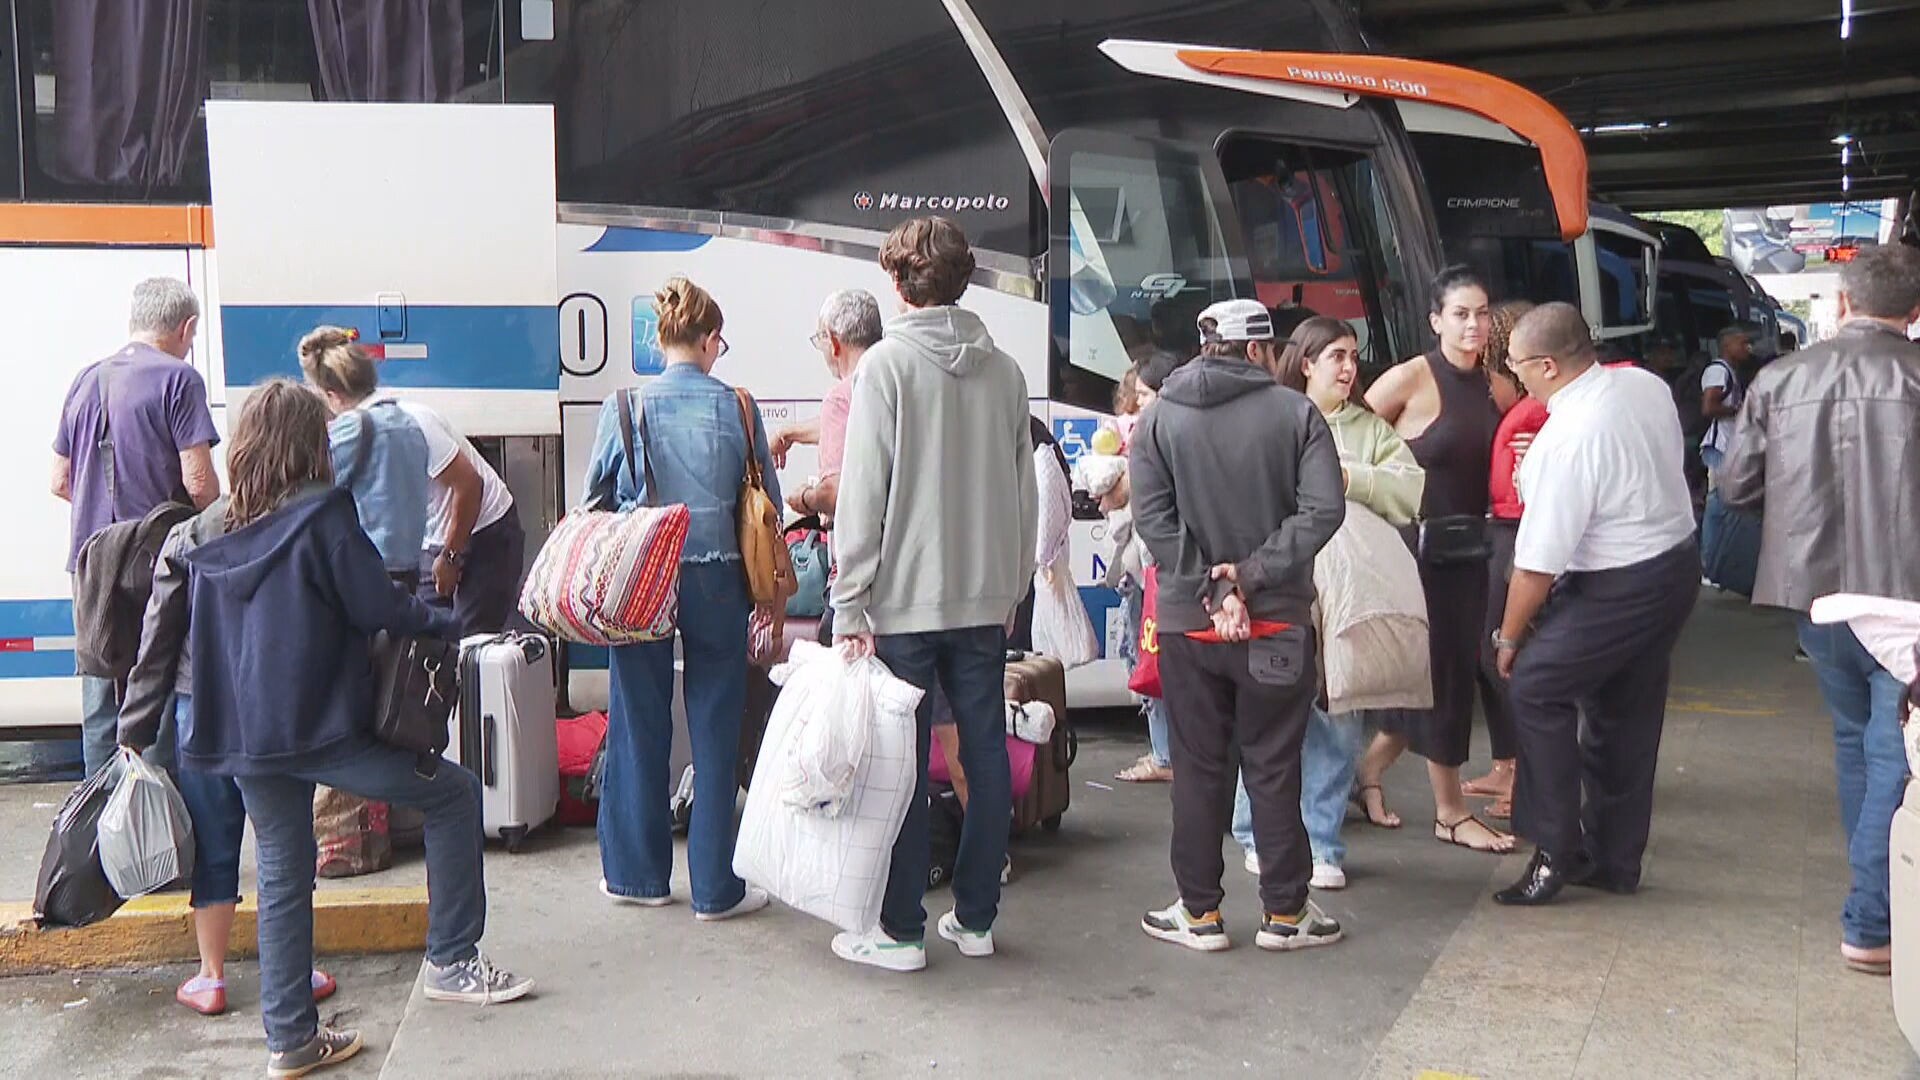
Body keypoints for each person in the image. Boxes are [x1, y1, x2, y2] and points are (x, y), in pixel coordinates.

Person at [177, 380, 532, 1076]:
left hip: (246, 733)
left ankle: (291, 1041)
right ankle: (454, 962)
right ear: (312, 445)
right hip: (321, 726)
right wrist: (449, 624)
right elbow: (380, 605)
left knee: (282, 869)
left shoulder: (219, 524)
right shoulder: (323, 516)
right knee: (453, 794)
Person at [828, 216, 1037, 972]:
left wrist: (849, 605)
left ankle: (901, 929)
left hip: (902, 606)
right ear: (965, 278)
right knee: (983, 757)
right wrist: (1012, 585)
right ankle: (976, 919)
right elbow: (1025, 498)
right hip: (983, 603)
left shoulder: (883, 368)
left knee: (902, 769)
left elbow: (863, 498)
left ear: (897, 283)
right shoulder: (1006, 372)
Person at [1718, 243, 1920, 973]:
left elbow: (1736, 492)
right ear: (1916, 312)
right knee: (1894, 752)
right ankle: (1872, 921)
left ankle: (1879, 881)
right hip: (1907, 601)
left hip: (1818, 597)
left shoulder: (1779, 379)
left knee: (1856, 739)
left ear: (1841, 302)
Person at [1131, 298, 1347, 953]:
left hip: (1188, 628)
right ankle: (1286, 914)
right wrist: (1248, 578)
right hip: (1276, 625)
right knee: (1274, 767)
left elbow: (1154, 522)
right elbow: (1323, 511)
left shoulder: (1158, 418)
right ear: (1260, 350)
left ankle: (1199, 914)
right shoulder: (1297, 414)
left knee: (1198, 769)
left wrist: (1209, 588)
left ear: (1205, 344)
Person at [583, 277, 780, 921]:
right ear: (709, 341)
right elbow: (767, 508)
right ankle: (716, 887)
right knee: (717, 724)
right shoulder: (741, 409)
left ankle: (637, 876)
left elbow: (599, 504)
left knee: (639, 720)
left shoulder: (623, 407)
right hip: (719, 579)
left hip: (644, 576)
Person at [1490, 303, 1700, 906]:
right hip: (1674, 566)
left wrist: (1509, 639)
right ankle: (1614, 858)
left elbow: (1536, 566)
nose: (1512, 373)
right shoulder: (1641, 385)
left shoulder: (1567, 438)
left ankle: (1557, 849)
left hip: (1618, 582)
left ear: (1549, 365)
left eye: (1517, 364)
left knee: (1534, 687)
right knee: (1623, 709)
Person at [117, 495, 341, 1020]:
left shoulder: (192, 533)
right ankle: (294, 970)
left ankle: (212, 977)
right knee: (283, 839)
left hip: (204, 707)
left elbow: (158, 640)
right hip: (277, 706)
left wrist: (133, 727)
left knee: (215, 841)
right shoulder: (305, 526)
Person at [1230, 315, 1425, 890]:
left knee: (1340, 718)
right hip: (1283, 586)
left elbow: (1409, 490)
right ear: (1306, 362)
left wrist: (1348, 478)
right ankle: (1255, 831)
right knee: (1270, 714)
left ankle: (1321, 842)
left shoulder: (1369, 429)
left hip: (1350, 593)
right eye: (1336, 356)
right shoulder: (1273, 417)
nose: (1348, 367)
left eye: (1352, 356)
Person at [1357, 267, 1513, 854]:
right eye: (1460, 314)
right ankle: (1449, 811)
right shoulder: (1410, 378)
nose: (1473, 325)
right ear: (1435, 320)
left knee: (1439, 676)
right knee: (1441, 676)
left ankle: (1369, 771)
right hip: (1414, 551)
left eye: (1481, 313)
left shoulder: (1498, 386)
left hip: (1475, 550)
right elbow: (1341, 439)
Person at [52, 277, 220, 776]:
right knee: (159, 690)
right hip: (156, 563)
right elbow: (198, 482)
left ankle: (101, 830)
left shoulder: (86, 378)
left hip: (90, 563)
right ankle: (157, 830)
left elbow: (60, 479)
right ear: (186, 327)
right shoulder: (179, 379)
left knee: (101, 695)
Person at [1464, 300, 1542, 820]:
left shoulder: (1532, 406)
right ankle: (1507, 765)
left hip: (1513, 531)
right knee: (1487, 656)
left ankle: (1527, 777)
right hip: (1498, 528)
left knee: (1506, 654)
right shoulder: (1512, 395)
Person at [298, 327, 432, 586]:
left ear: (332, 395)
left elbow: (309, 489)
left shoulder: (353, 427)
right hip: (410, 568)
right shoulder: (407, 422)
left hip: (369, 571)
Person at [1113, 350, 1184, 784]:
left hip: (1153, 569)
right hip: (1147, 566)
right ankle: (1166, 752)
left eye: (1143, 394)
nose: (1136, 404)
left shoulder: (1157, 438)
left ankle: (1165, 756)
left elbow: (1135, 500)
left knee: (1148, 657)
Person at [399, 397, 524, 637]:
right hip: (433, 538)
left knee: (470, 643)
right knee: (426, 640)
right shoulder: (353, 433)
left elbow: (469, 484)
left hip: (486, 529)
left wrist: (450, 557)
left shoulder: (415, 425)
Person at [769, 288, 884, 525]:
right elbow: (846, 425)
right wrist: (788, 432)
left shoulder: (840, 397)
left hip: (867, 549)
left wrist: (805, 497)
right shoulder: (892, 382)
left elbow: (834, 493)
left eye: (820, 338)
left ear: (834, 342)